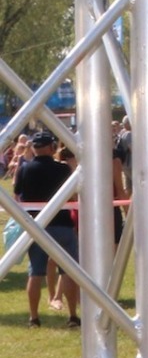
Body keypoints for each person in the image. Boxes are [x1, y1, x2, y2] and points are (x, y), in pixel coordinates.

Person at [12, 129, 77, 327]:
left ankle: (34, 318)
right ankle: (73, 315)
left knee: (35, 273)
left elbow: (17, 195)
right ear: (52, 147)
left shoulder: (24, 169)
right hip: (63, 225)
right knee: (67, 272)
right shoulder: (64, 169)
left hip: (36, 226)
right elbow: (72, 196)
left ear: (34, 148)